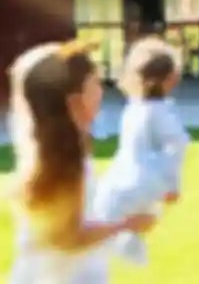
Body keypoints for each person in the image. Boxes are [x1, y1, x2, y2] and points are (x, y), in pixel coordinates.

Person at [8, 41, 157, 283]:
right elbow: (68, 237)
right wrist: (126, 224)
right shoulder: (64, 162)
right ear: (74, 100)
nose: (101, 91)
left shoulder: (56, 152)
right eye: (95, 84)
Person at [92, 37, 189, 265]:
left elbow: (172, 145)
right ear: (171, 78)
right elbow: (177, 144)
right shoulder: (154, 111)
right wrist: (172, 184)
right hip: (143, 182)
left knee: (104, 224)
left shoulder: (137, 110)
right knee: (116, 228)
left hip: (129, 181)